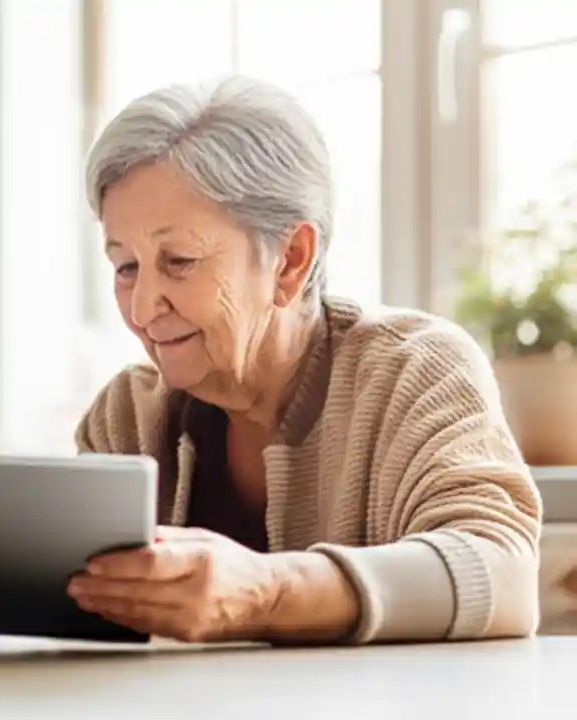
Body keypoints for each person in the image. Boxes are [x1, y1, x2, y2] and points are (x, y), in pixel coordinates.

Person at [67, 76, 541, 645]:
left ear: (291, 260)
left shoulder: (416, 372)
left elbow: (504, 575)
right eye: (125, 267)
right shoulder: (126, 417)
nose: (144, 306)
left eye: (180, 260)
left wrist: (267, 590)